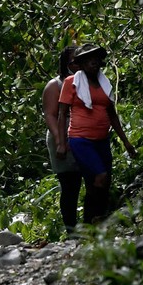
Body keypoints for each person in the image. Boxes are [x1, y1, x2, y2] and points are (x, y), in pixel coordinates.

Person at [57, 43, 137, 223]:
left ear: (100, 62)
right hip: (80, 139)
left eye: (95, 59)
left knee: (103, 182)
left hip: (101, 140)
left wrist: (126, 142)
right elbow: (62, 114)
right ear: (81, 64)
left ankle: (94, 223)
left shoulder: (104, 83)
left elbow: (112, 114)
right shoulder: (72, 82)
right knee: (99, 176)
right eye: (87, 60)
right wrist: (61, 143)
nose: (92, 63)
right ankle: (91, 221)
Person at [43, 45, 83, 231]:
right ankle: (71, 228)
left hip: (85, 135)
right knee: (70, 185)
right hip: (64, 136)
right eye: (73, 61)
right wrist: (61, 141)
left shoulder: (89, 81)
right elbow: (50, 115)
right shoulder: (55, 85)